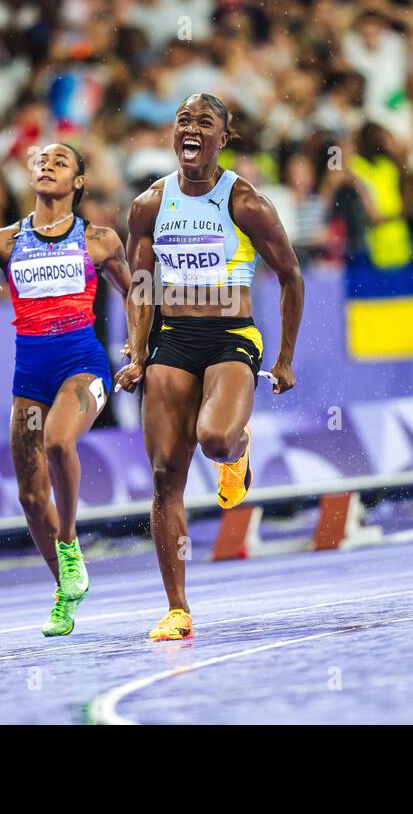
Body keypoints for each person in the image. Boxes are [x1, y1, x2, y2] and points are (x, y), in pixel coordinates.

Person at [116, 94, 303, 641]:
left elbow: (291, 276)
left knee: (215, 437)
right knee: (163, 478)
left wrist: (286, 358)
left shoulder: (246, 204)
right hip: (172, 339)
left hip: (229, 337)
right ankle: (177, 608)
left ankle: (236, 453)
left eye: (204, 122)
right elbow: (141, 285)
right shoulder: (149, 204)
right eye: (182, 121)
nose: (190, 129)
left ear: (225, 137)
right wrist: (137, 349)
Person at [0, 143, 131, 637]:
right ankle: (64, 589)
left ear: (78, 182)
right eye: (41, 161)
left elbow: (136, 292)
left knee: (57, 441)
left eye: (61, 162)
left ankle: (69, 544)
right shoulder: (2, 243)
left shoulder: (99, 240)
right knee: (31, 495)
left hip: (83, 366)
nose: (47, 166)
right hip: (29, 377)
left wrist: (137, 346)